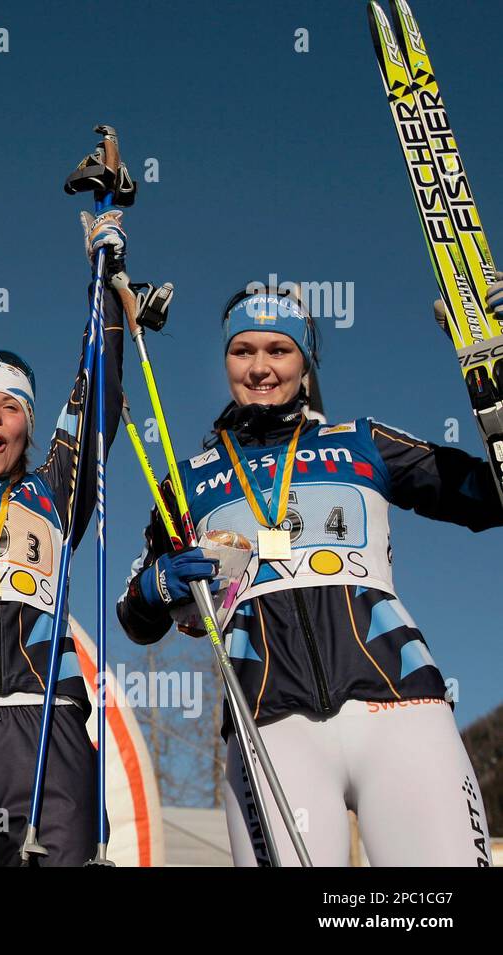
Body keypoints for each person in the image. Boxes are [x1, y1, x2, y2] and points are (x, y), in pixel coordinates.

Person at [116, 283, 498, 867]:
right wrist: (158, 585)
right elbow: (135, 617)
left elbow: (489, 493)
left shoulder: (362, 444)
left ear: (305, 363)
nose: (261, 367)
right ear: (226, 361)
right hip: (268, 723)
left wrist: (490, 375)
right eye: (243, 351)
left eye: (279, 350)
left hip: (400, 709)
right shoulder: (187, 479)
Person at [0, 210, 125, 866]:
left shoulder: (53, 490)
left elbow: (95, 396)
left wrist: (109, 292)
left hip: (48, 721)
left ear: (27, 429)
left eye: (10, 407)